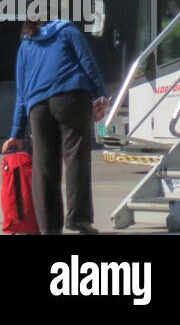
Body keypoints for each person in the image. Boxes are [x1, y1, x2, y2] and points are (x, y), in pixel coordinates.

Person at [3, 19, 110, 235]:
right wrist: (101, 94)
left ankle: (48, 227)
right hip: (71, 97)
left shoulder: (26, 45)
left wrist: (16, 133)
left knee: (44, 166)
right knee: (76, 157)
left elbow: (22, 94)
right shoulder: (67, 31)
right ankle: (78, 220)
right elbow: (86, 62)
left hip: (38, 107)